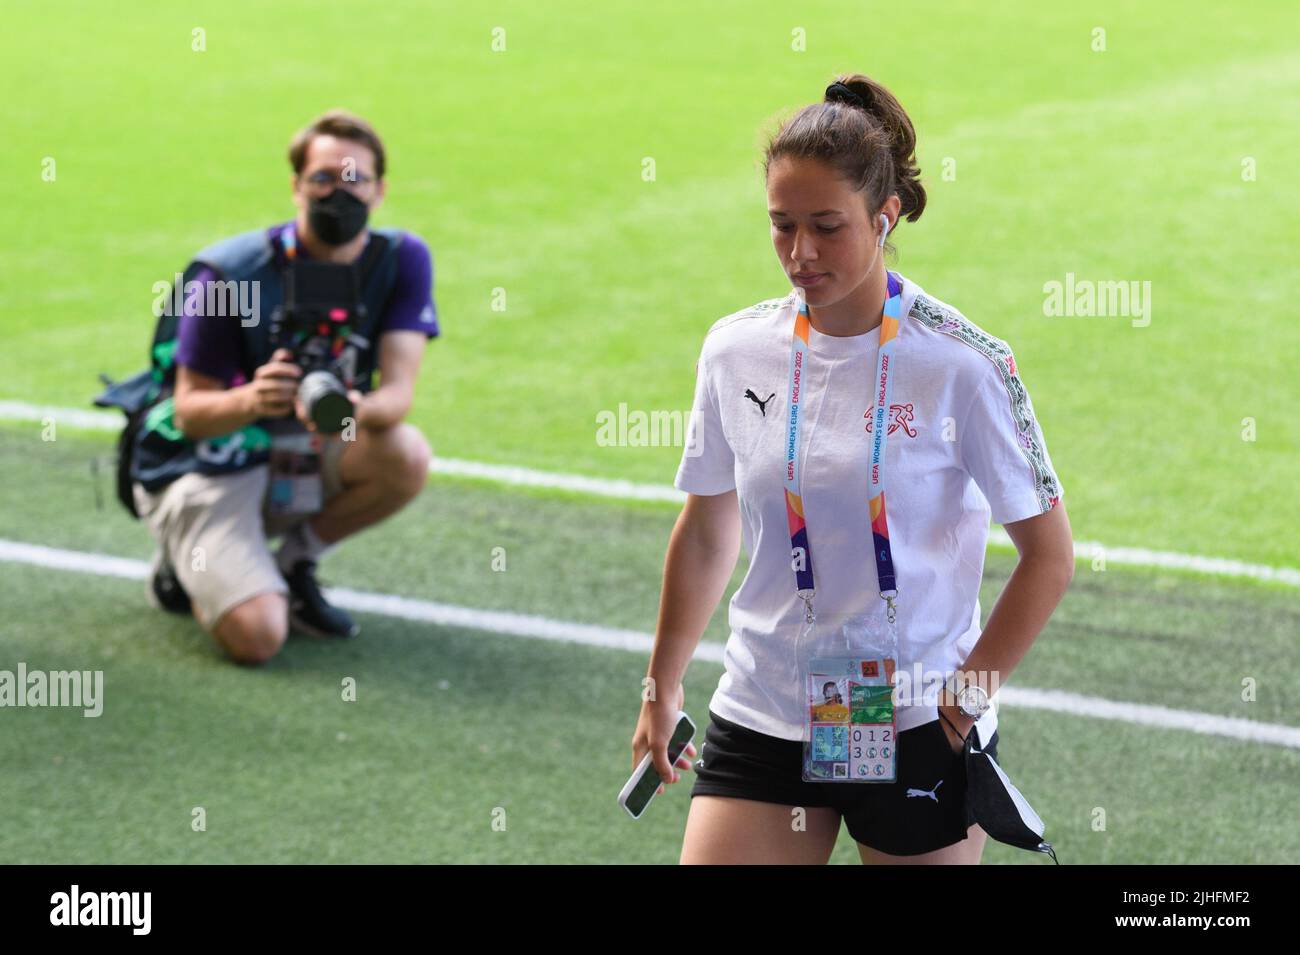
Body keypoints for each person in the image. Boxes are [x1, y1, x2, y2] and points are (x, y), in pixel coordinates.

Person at [631, 74, 1075, 864]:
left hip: (911, 718)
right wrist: (661, 688)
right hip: (767, 704)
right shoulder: (734, 350)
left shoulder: (964, 365)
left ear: (885, 215)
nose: (800, 254)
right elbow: (706, 528)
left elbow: (1049, 553)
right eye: (782, 226)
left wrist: (965, 702)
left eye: (827, 227)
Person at [131, 110, 438, 664]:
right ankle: (186, 568)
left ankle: (292, 563)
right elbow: (189, 414)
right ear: (296, 186)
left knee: (405, 454)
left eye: (354, 179)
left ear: (380, 190)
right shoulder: (230, 274)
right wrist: (254, 399)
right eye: (322, 178)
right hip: (211, 460)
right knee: (258, 638)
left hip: (303, 446)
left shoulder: (399, 260)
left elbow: (398, 396)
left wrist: (349, 409)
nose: (338, 193)